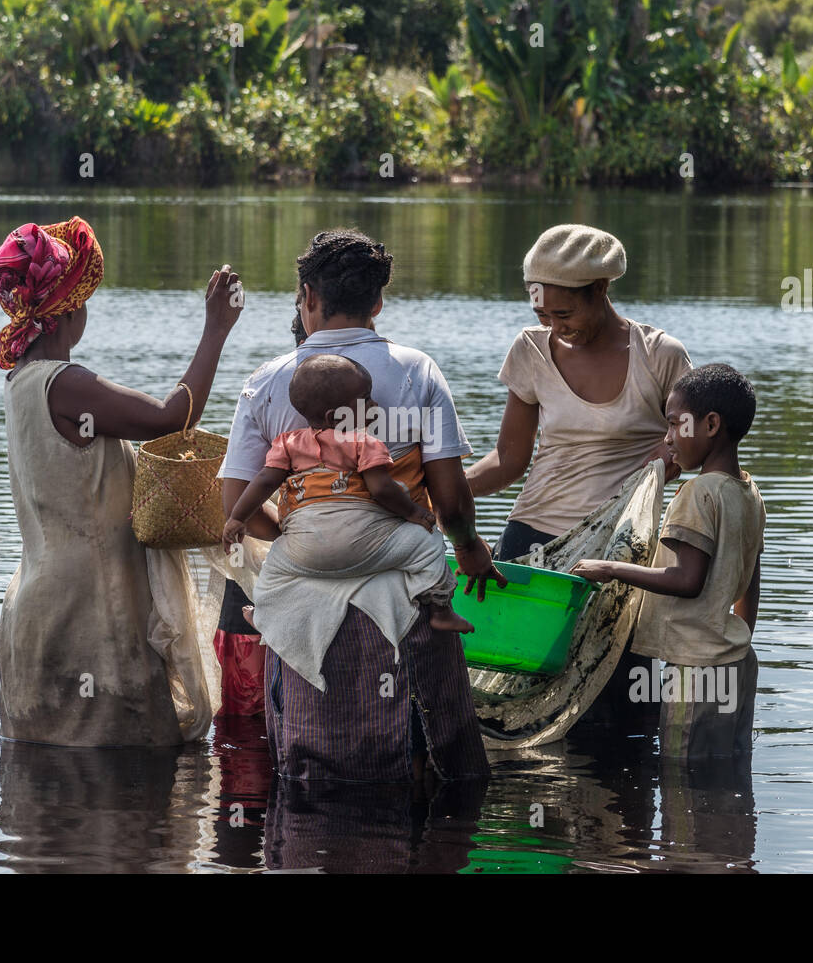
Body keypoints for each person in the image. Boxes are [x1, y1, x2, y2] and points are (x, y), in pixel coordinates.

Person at [219, 228, 503, 783]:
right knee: (430, 764)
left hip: (303, 595)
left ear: (307, 297)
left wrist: (298, 536)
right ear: (377, 302)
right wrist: (468, 549)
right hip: (402, 598)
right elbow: (450, 498)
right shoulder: (418, 370)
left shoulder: (265, 384)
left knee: (309, 770)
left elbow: (239, 504)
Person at [0, 216, 244, 747]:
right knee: (122, 774)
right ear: (67, 310)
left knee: (49, 796)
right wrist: (216, 328)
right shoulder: (66, 385)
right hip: (92, 612)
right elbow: (173, 418)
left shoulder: (20, 384)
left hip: (36, 606)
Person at [223, 354, 474, 690]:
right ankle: (442, 608)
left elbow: (263, 482)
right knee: (428, 544)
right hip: (365, 543)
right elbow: (382, 488)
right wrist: (415, 514)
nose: (375, 405)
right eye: (367, 400)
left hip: (304, 547)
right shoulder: (364, 442)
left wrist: (237, 517)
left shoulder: (287, 444)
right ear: (335, 416)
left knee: (274, 567)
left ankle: (265, 615)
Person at [569, 364, 765, 759]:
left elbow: (686, 579)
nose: (668, 438)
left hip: (695, 669)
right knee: (728, 767)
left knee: (682, 781)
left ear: (711, 425)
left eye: (676, 425)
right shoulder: (749, 491)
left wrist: (610, 568)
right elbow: (751, 581)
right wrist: (736, 640)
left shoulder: (698, 494)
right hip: (738, 660)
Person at [466, 224, 692, 560]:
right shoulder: (531, 349)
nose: (555, 328)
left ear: (600, 287)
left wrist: (665, 456)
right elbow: (508, 459)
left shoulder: (659, 355)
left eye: (564, 314)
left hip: (617, 537)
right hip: (531, 530)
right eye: (542, 315)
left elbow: (690, 432)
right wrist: (441, 487)